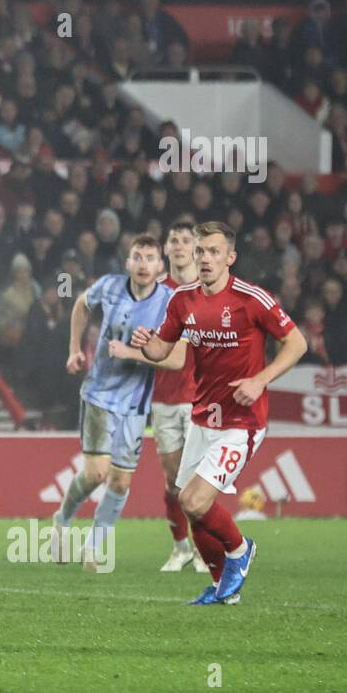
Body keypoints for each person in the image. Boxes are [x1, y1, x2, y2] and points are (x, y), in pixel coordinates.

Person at [131, 222, 307, 605]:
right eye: (201, 251)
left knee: (195, 501)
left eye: (213, 251)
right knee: (190, 506)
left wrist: (260, 380)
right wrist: (147, 345)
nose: (205, 259)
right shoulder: (183, 301)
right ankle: (222, 590)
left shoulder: (252, 298)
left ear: (230, 257)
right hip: (201, 419)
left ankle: (241, 550)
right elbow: (164, 350)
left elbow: (297, 342)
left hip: (241, 423)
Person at [56, 235, 185, 569]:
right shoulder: (110, 287)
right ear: (128, 263)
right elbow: (81, 304)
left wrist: (135, 352)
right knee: (97, 474)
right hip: (99, 394)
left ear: (160, 267)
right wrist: (73, 349)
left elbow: (176, 360)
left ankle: (94, 548)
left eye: (150, 258)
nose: (143, 264)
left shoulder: (171, 302)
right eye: (137, 257)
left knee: (121, 480)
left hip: (136, 404)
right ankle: (62, 520)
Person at [152, 221, 209, 574]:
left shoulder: (204, 292)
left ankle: (205, 552)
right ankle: (180, 548)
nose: (178, 244)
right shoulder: (154, 293)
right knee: (172, 480)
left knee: (199, 478)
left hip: (198, 397)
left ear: (195, 249)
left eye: (185, 240)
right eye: (173, 238)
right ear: (166, 248)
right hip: (161, 397)